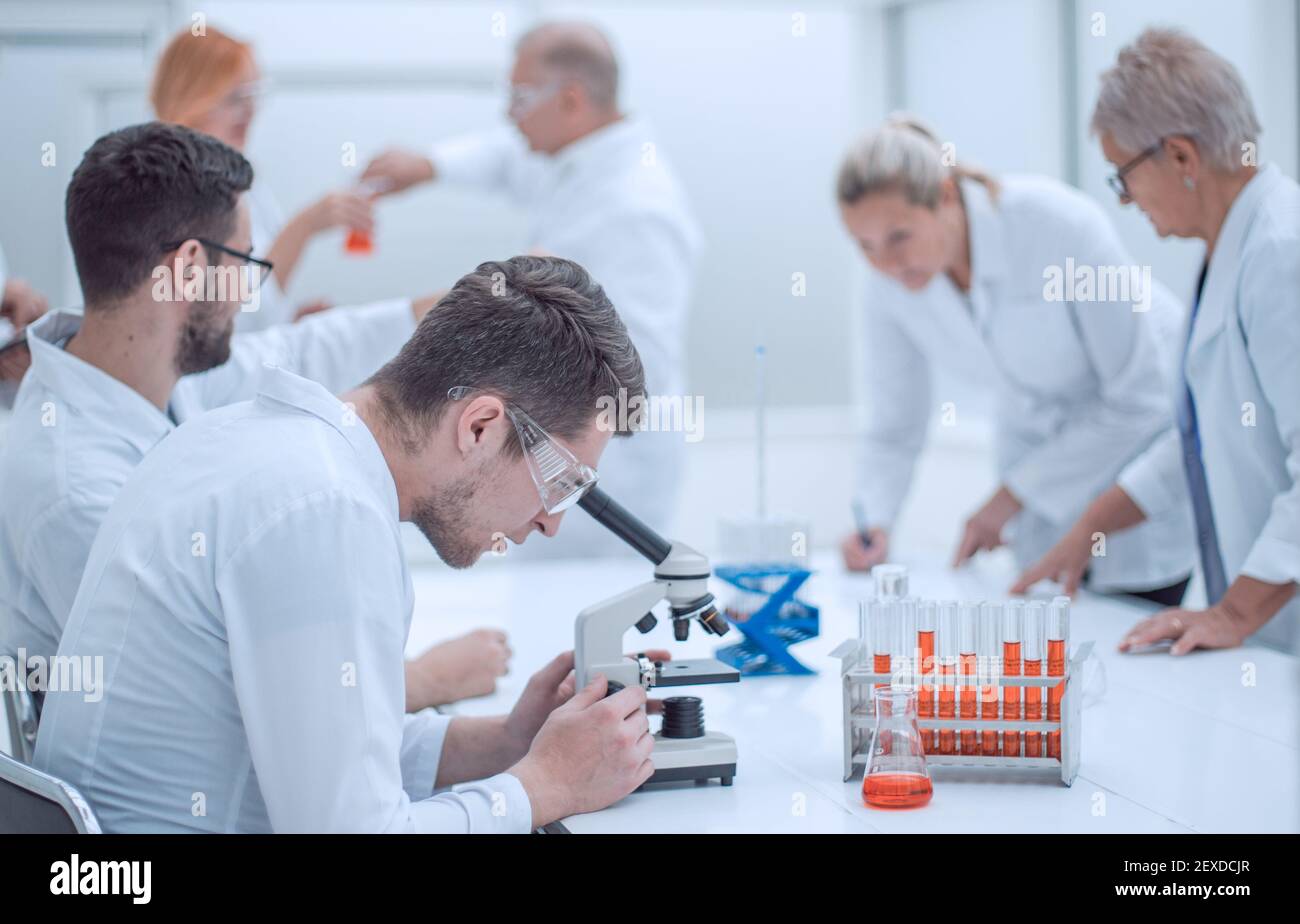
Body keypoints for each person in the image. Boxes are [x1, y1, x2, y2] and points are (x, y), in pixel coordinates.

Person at [36, 255, 657, 833]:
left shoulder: (240, 440)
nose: (552, 522)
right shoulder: (324, 508)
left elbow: (333, 749)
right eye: (560, 482)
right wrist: (544, 785)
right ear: (480, 427)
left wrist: (509, 742)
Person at [0, 122, 504, 713]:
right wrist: (421, 681)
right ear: (188, 269)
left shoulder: (154, 381)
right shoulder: (74, 486)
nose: (248, 293)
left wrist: (463, 310)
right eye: (244, 261)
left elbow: (300, 350)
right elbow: (209, 693)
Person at [360, 20, 701, 557]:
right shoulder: (570, 158)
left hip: (608, 470)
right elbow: (503, 157)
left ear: (569, 99)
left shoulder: (636, 209)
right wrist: (431, 166)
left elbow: (641, 372)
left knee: (568, 608)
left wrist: (507, 347)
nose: (508, 114)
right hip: (549, 451)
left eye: (519, 97)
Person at [1014, 29, 1299, 654]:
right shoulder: (1234, 250)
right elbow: (1200, 440)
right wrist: (1089, 528)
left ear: (1180, 157)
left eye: (1123, 176)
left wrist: (1230, 614)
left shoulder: (1282, 252)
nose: (1125, 200)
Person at [835, 116, 1195, 604]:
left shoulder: (1056, 225)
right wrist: (873, 520)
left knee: (1132, 649)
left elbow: (1139, 398)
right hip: (1036, 491)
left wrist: (1010, 498)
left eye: (899, 236)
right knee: (1043, 654)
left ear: (944, 195)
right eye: (865, 246)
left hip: (1139, 468)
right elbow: (894, 422)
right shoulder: (889, 284)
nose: (886, 262)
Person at [150, 25, 374, 329]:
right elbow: (218, 321)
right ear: (190, 100)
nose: (250, 111)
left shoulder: (243, 183)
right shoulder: (164, 192)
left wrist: (290, 325)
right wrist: (303, 226)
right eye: (234, 98)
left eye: (253, 94)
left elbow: (253, 316)